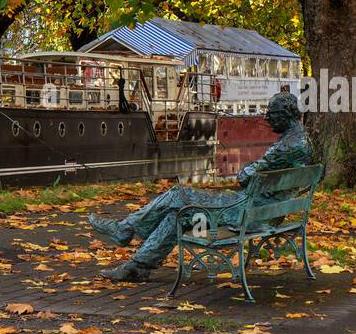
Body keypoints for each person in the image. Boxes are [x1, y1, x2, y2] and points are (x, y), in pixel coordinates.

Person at [89, 91, 314, 282]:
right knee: (178, 215)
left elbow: (245, 177)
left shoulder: (287, 146)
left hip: (248, 211)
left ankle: (126, 231)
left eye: (271, 115)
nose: (267, 118)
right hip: (267, 209)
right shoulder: (302, 139)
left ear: (285, 115)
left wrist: (247, 169)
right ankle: (137, 266)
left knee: (178, 194)